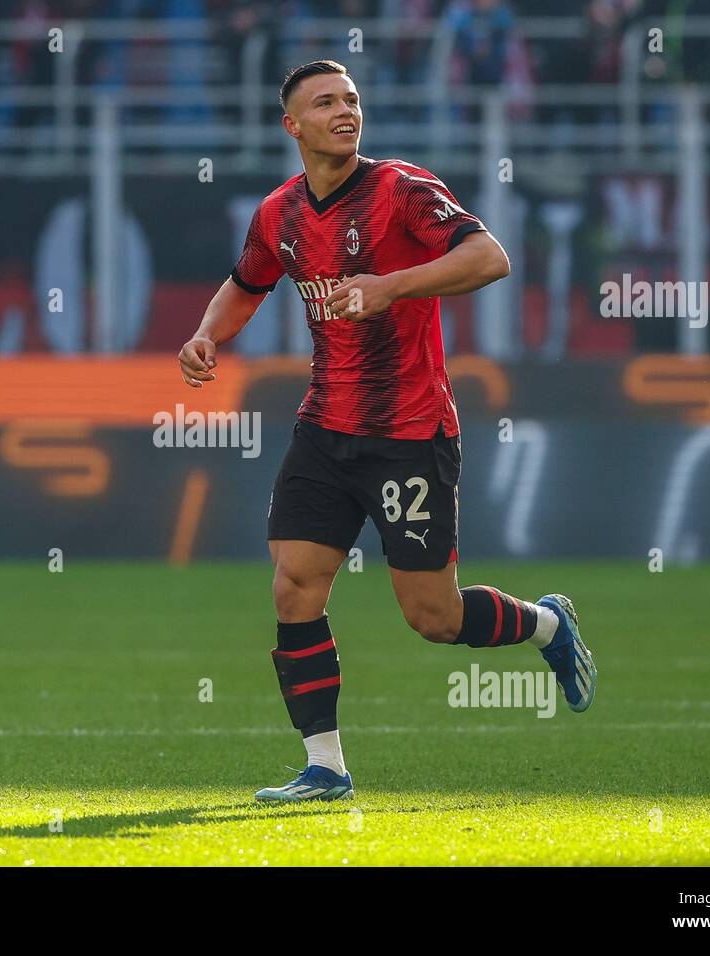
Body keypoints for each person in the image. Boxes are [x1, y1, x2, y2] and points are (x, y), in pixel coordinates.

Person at [177, 60, 597, 802]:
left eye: (352, 99)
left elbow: (489, 257)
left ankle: (545, 625)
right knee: (295, 584)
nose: (345, 111)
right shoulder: (279, 214)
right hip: (324, 429)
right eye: (326, 102)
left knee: (433, 618)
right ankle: (326, 768)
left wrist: (390, 285)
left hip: (409, 430)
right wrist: (208, 335)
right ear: (293, 125)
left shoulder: (402, 189)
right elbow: (246, 283)